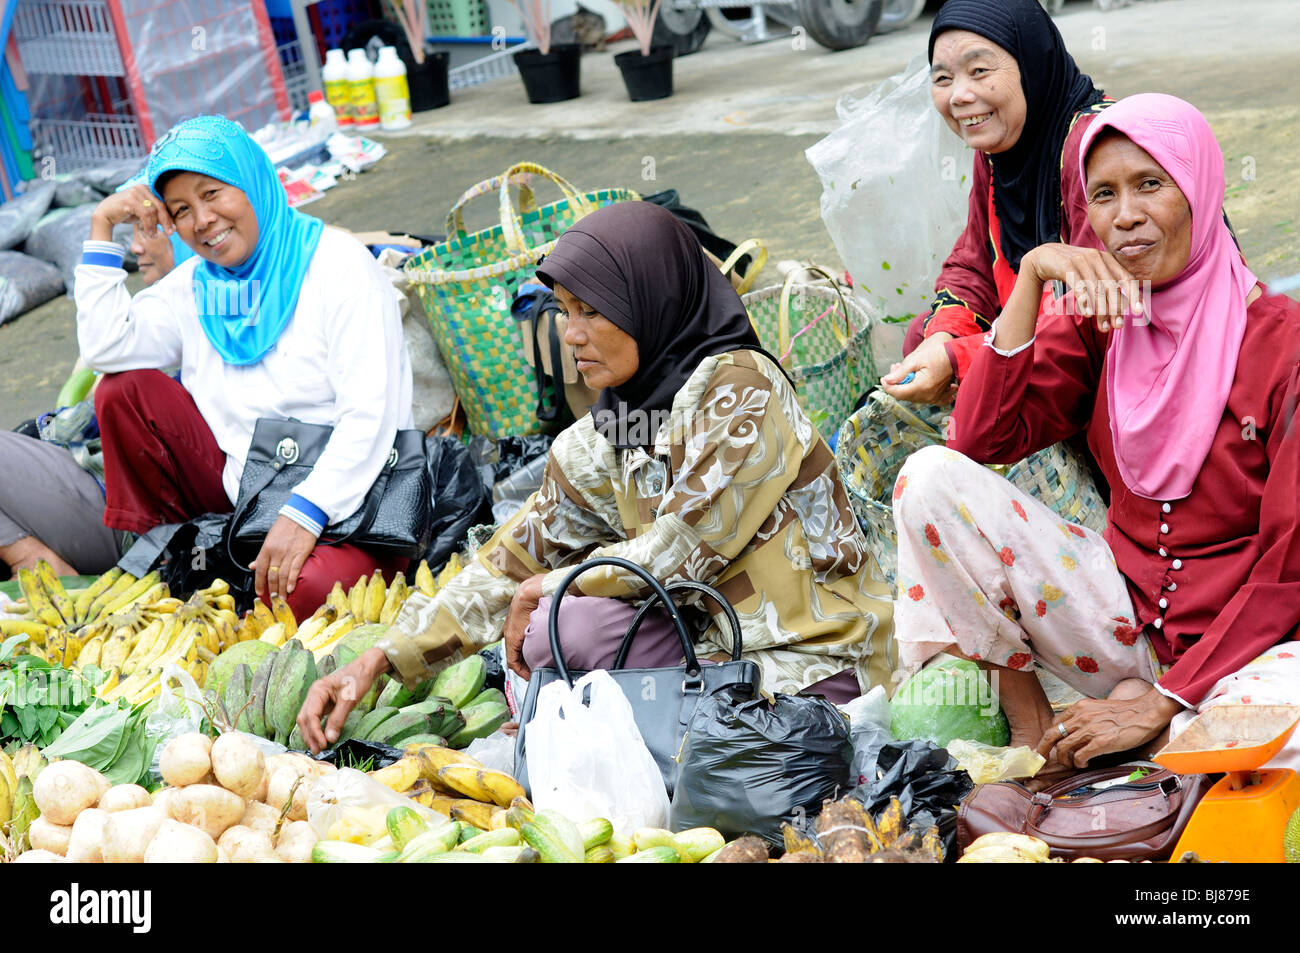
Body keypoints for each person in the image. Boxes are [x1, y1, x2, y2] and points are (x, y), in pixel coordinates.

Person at [298, 202, 896, 752]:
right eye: (563, 311)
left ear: (651, 300)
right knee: (560, 630)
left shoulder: (741, 390)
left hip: (814, 657)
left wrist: (551, 586)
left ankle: (737, 727)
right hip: (709, 654)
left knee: (561, 618)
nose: (571, 333)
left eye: (591, 310)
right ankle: (673, 726)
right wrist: (379, 658)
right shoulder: (606, 433)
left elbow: (679, 552)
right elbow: (510, 562)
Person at [891, 93, 1300, 780]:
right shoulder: (1104, 317)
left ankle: (1157, 724)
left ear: (1199, 188)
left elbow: (1291, 565)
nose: (1125, 215)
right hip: (1122, 620)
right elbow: (981, 435)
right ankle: (1042, 734)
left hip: (1247, 644)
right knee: (927, 481)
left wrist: (1166, 698)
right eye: (1102, 194)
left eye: (1150, 184)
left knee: (1271, 736)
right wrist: (1033, 277)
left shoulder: (1281, 344)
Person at [74, 114, 413, 617]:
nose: (202, 220)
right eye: (181, 209)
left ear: (253, 181)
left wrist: (306, 511)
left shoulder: (335, 265)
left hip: (354, 496)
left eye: (213, 193)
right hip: (248, 491)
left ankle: (255, 564)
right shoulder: (197, 286)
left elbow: (373, 414)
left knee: (297, 593)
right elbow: (106, 347)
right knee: (120, 391)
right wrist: (102, 228)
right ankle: (175, 552)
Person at [881, 0, 1109, 405]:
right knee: (925, 335)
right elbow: (973, 261)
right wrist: (945, 339)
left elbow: (1097, 316)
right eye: (943, 78)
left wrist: (959, 359)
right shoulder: (999, 148)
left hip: (1114, 346)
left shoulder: (1098, 153)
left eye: (979, 71)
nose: (959, 96)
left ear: (1031, 64)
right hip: (1039, 330)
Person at [0, 219, 188, 580]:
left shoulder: (203, 321)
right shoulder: (153, 315)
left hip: (134, 518)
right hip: (104, 490)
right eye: (129, 234)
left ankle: (40, 570)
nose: (134, 248)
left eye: (149, 231)